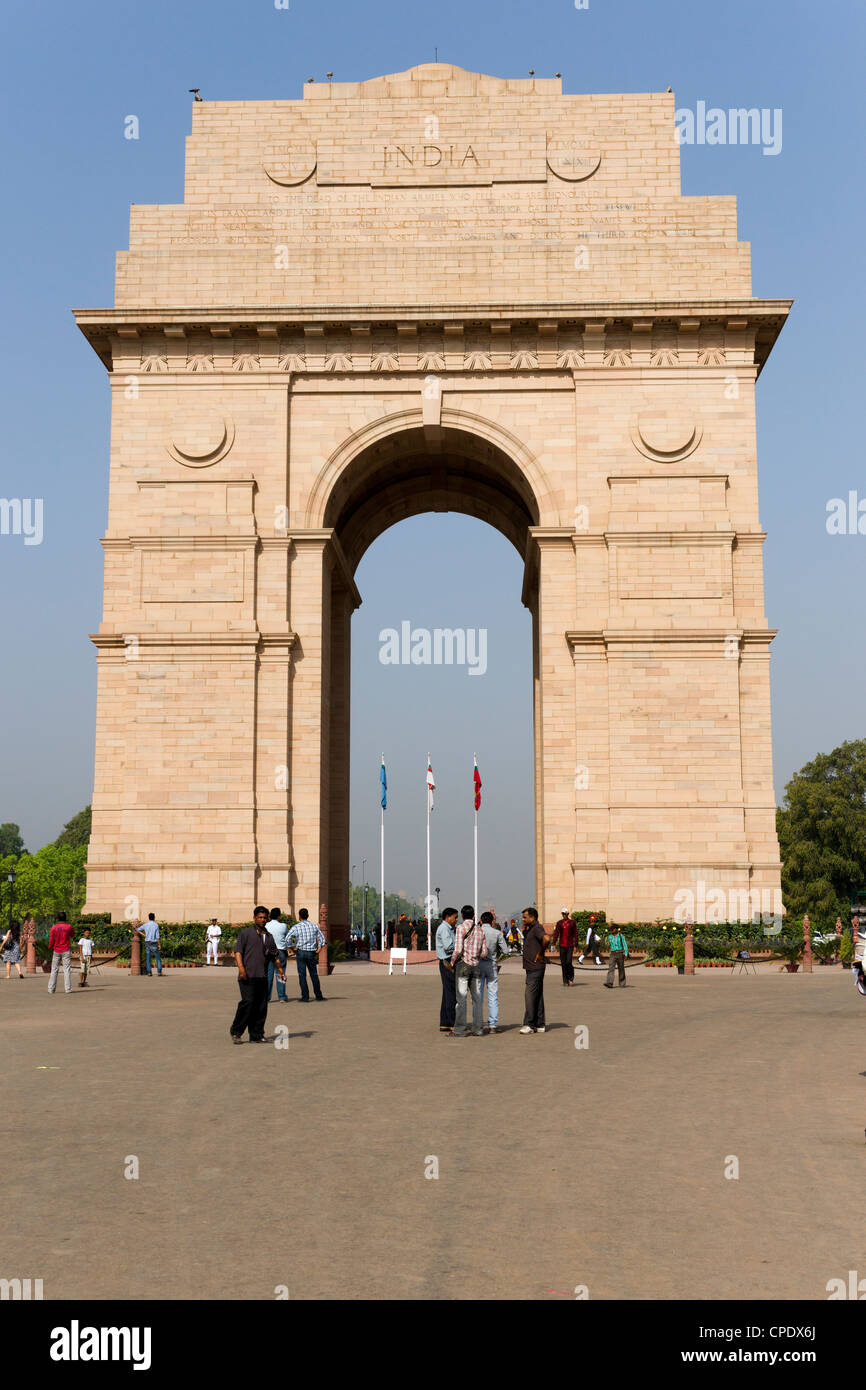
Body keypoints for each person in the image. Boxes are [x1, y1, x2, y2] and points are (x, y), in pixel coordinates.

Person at [230, 906, 283, 1043]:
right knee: (248, 1003)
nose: (262, 920)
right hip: (247, 975)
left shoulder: (269, 937)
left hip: (262, 976)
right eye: (260, 917)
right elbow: (238, 952)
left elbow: (275, 956)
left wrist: (281, 971)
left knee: (261, 1006)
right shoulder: (245, 933)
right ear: (254, 918)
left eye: (265, 917)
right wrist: (241, 968)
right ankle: (236, 1032)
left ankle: (256, 1035)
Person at [451, 905, 488, 1038]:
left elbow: (458, 949)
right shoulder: (480, 930)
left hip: (463, 965)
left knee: (461, 999)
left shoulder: (460, 928)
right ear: (474, 916)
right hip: (476, 966)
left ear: (462, 915)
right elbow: (484, 952)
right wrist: (476, 956)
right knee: (477, 1000)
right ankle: (478, 1029)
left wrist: (451, 962)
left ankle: (460, 1029)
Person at [519, 907, 552, 1034]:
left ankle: (529, 1024)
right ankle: (540, 1024)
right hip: (533, 967)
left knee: (530, 995)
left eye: (525, 917)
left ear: (532, 917)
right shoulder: (532, 928)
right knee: (537, 994)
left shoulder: (537, 928)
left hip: (535, 967)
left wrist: (541, 953)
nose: (523, 919)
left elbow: (547, 939)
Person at [478, 910, 511, 1033]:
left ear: (481, 921)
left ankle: (478, 1022)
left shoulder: (477, 932)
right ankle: (493, 1025)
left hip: (479, 964)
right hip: (491, 965)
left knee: (478, 996)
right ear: (492, 921)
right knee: (493, 996)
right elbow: (506, 951)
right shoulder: (497, 933)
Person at [287, 908, 326, 1002]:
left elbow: (287, 938)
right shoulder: (314, 926)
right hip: (311, 953)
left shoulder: (296, 927)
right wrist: (319, 949)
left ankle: (305, 997)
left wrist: (293, 948)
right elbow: (322, 939)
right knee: (314, 975)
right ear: (308, 915)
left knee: (302, 975)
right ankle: (318, 996)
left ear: (299, 916)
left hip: (300, 952)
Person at [435, 907, 459, 1033]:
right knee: (451, 994)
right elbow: (449, 947)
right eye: (455, 917)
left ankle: (444, 1022)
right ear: (448, 917)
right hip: (447, 962)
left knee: (447, 993)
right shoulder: (444, 929)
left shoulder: (447, 928)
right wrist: (460, 948)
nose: (456, 920)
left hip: (446, 962)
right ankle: (452, 1022)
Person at [47, 911, 75, 995]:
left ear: (58, 918)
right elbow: (72, 934)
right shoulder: (69, 927)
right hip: (65, 949)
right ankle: (68, 989)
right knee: (66, 970)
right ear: (65, 918)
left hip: (56, 950)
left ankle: (51, 989)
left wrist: (51, 947)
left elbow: (51, 940)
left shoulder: (54, 927)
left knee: (54, 970)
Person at [267, 907, 289, 1003]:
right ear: (279, 916)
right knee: (281, 973)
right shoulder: (283, 926)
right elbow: (287, 939)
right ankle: (282, 997)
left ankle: (267, 997)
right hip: (280, 951)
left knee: (269, 975)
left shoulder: (266, 925)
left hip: (269, 951)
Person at [552, 909, 577, 986]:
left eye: (565, 914)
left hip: (569, 945)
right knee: (563, 963)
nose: (564, 915)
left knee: (568, 962)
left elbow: (575, 934)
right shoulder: (559, 923)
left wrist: (576, 945)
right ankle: (565, 980)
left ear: (568, 914)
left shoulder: (572, 923)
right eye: (563, 914)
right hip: (562, 945)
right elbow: (556, 933)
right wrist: (553, 943)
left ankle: (570, 978)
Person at [604, 923, 628, 988]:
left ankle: (622, 983)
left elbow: (625, 945)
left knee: (621, 969)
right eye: (611, 929)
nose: (612, 930)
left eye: (613, 929)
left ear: (617, 929)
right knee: (611, 968)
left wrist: (626, 954)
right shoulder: (610, 936)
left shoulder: (621, 936)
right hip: (612, 954)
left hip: (620, 954)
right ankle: (609, 983)